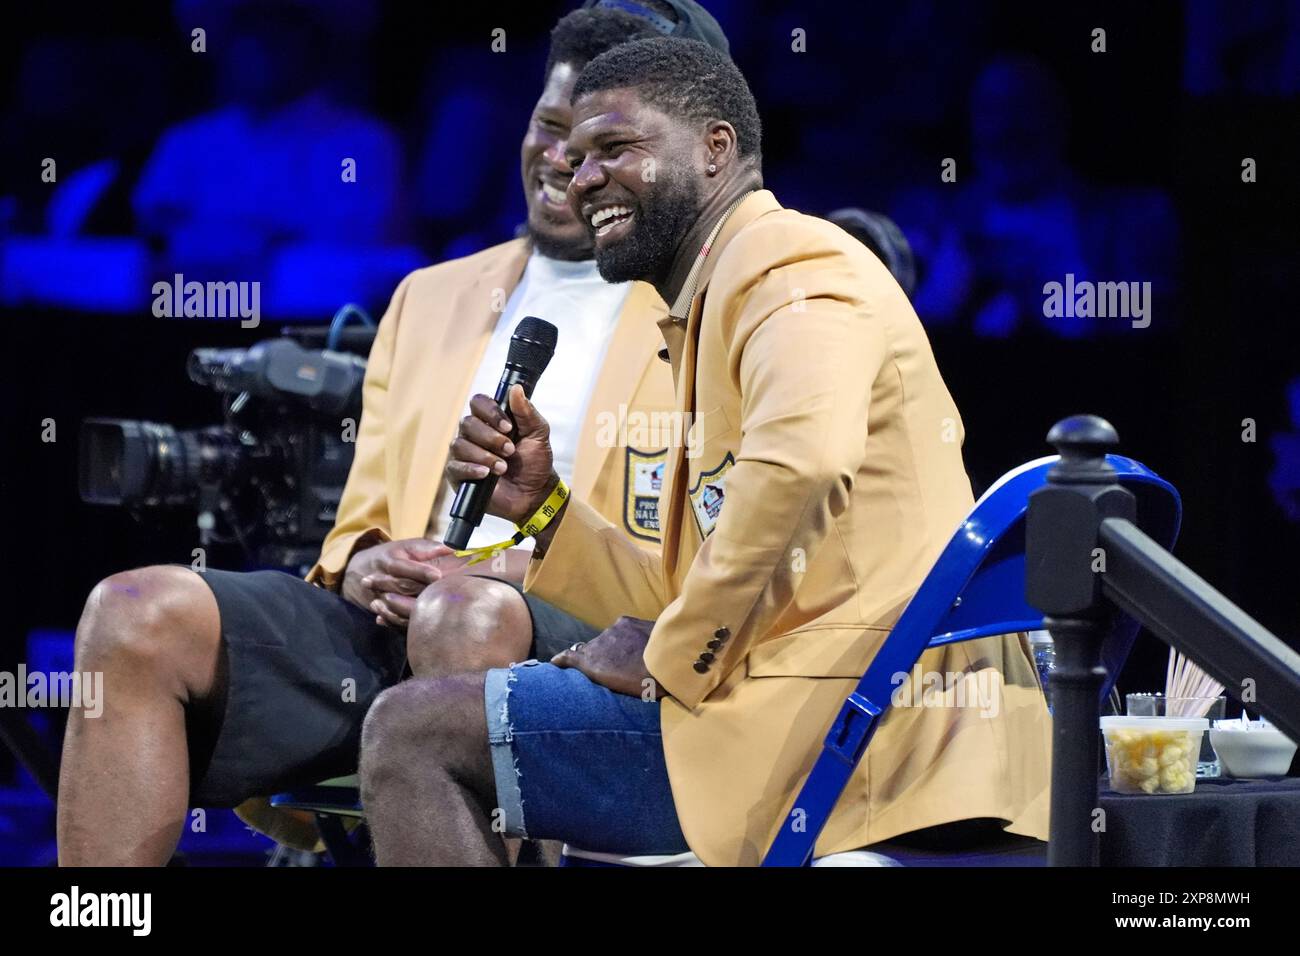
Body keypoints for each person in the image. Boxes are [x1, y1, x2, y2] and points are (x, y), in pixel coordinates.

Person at [55, 4, 737, 866]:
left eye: (603, 142)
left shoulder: (716, 312)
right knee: (133, 613)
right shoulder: (429, 297)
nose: (564, 158)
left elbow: (723, 565)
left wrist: (512, 569)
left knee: (464, 611)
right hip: (398, 630)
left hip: (592, 654)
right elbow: (360, 521)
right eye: (550, 125)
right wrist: (367, 563)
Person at [358, 37, 1051, 867]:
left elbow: (802, 470)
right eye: (575, 160)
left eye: (615, 147)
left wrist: (668, 656)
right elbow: (694, 584)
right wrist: (545, 510)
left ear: (715, 148)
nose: (581, 179)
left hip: (854, 743)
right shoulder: (710, 303)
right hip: (818, 721)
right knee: (435, 722)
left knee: (411, 731)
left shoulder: (791, 264)